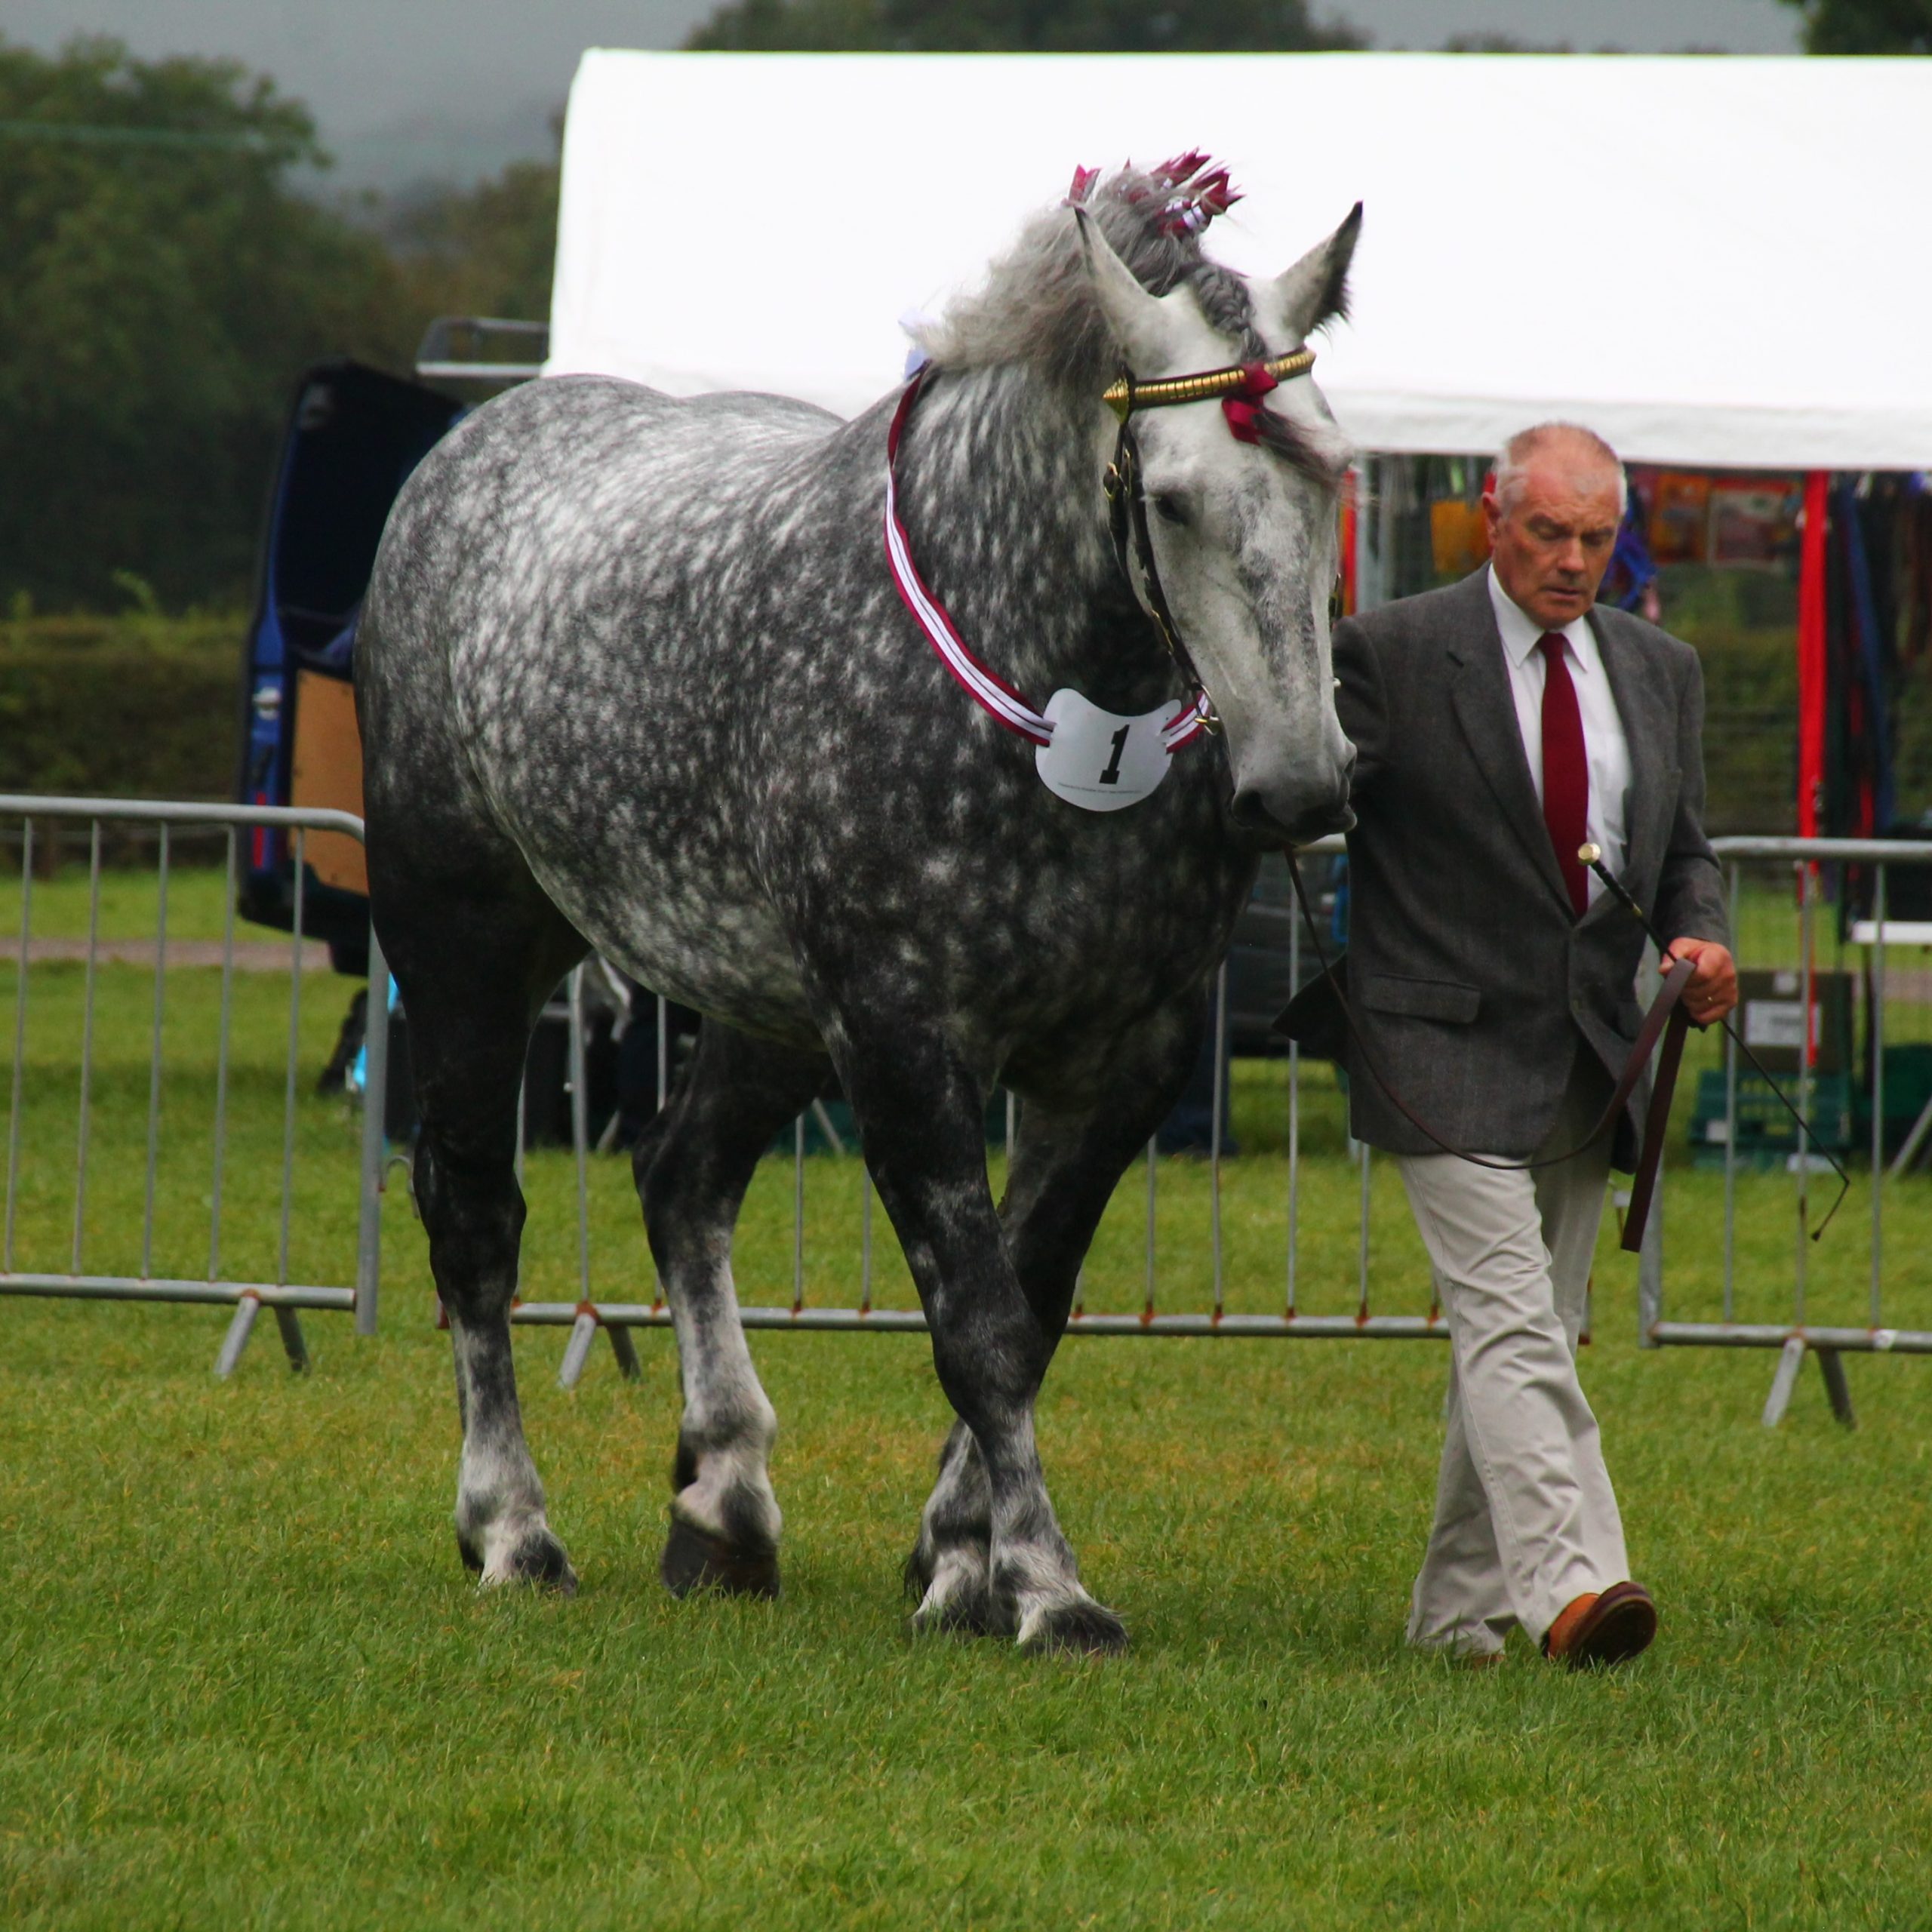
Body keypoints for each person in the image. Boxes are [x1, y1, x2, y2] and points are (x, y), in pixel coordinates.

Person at [1315, 423, 1737, 1668]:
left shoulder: (1661, 669)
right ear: (1491, 514)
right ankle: (1578, 1585)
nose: (1571, 560)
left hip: (1584, 1054)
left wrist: (1700, 942)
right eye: (1548, 531)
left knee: (1530, 1327)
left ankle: (1455, 1617)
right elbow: (1297, 788)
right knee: (1511, 1324)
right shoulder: (1389, 654)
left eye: (1596, 538)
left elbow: (1690, 856)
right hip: (1428, 1042)